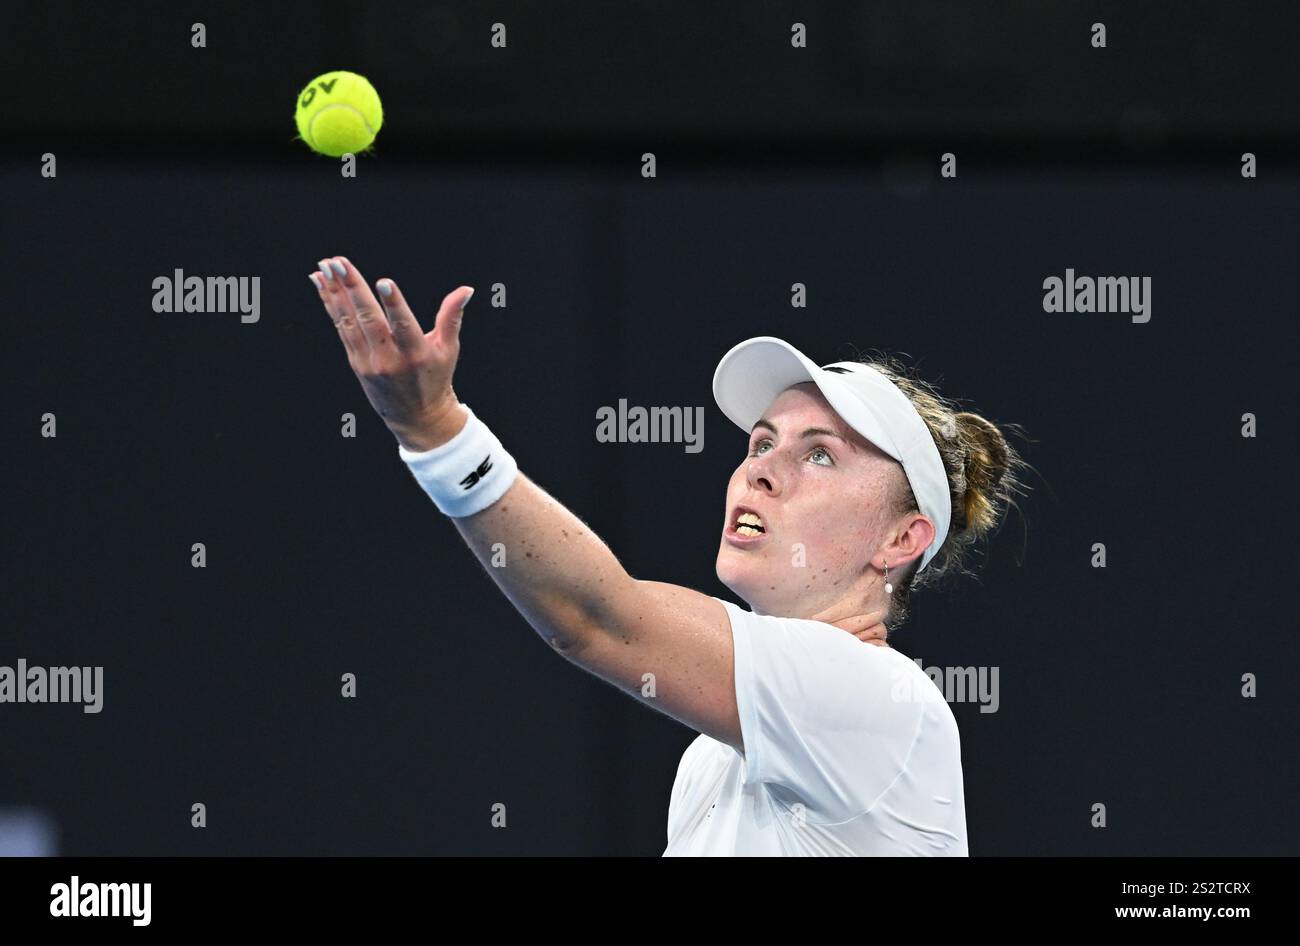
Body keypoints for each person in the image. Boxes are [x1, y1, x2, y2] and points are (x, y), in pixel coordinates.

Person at [309, 255, 1027, 856]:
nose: (761, 471)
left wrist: (436, 431)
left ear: (902, 540)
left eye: (821, 456)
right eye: (763, 442)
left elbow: (598, 618)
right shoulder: (710, 759)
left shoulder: (879, 701)